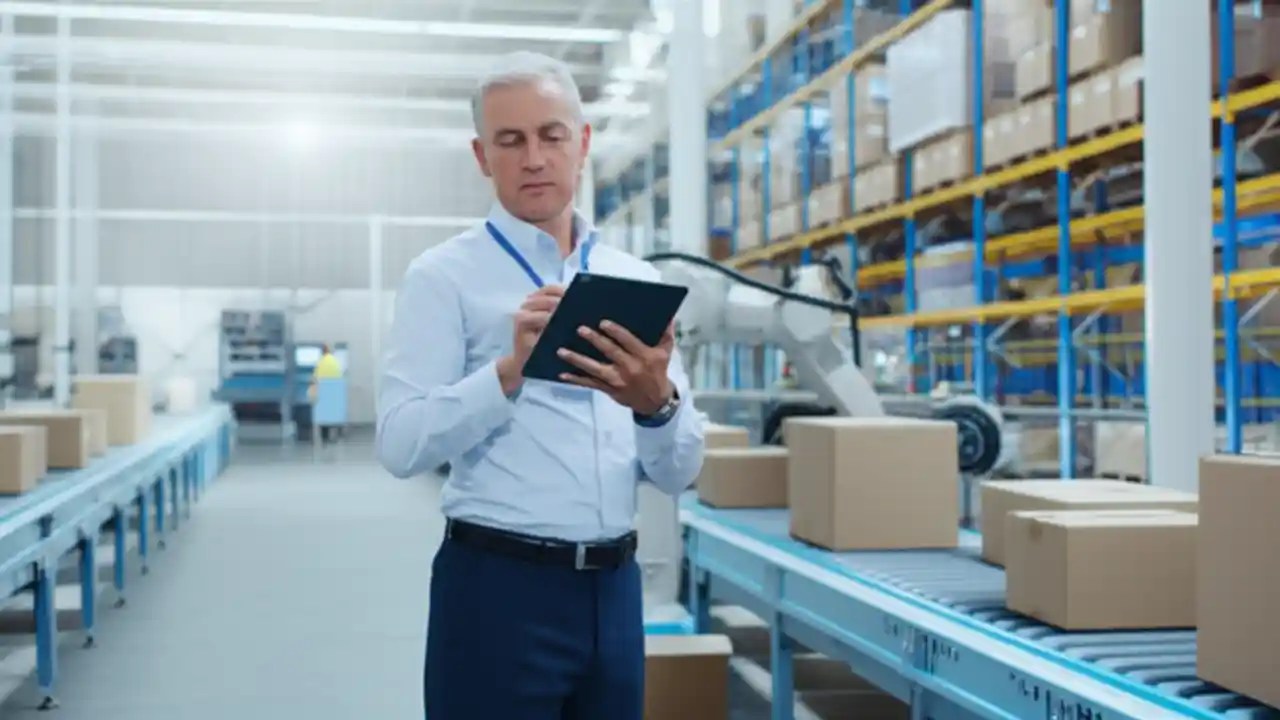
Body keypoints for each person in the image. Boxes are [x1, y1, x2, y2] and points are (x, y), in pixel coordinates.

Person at [375, 51, 705, 720]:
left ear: (581, 144)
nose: (533, 157)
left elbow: (681, 471)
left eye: (551, 136)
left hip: (613, 594)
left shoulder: (637, 282)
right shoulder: (443, 277)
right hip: (497, 594)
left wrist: (656, 408)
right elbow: (400, 443)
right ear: (481, 155)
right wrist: (506, 372)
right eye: (510, 140)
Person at [310, 344, 343, 444]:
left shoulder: (320, 361)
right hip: (334, 390)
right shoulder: (335, 360)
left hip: (323, 390)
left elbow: (314, 378)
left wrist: (312, 392)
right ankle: (336, 435)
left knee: (323, 417)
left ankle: (324, 438)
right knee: (335, 415)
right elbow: (340, 375)